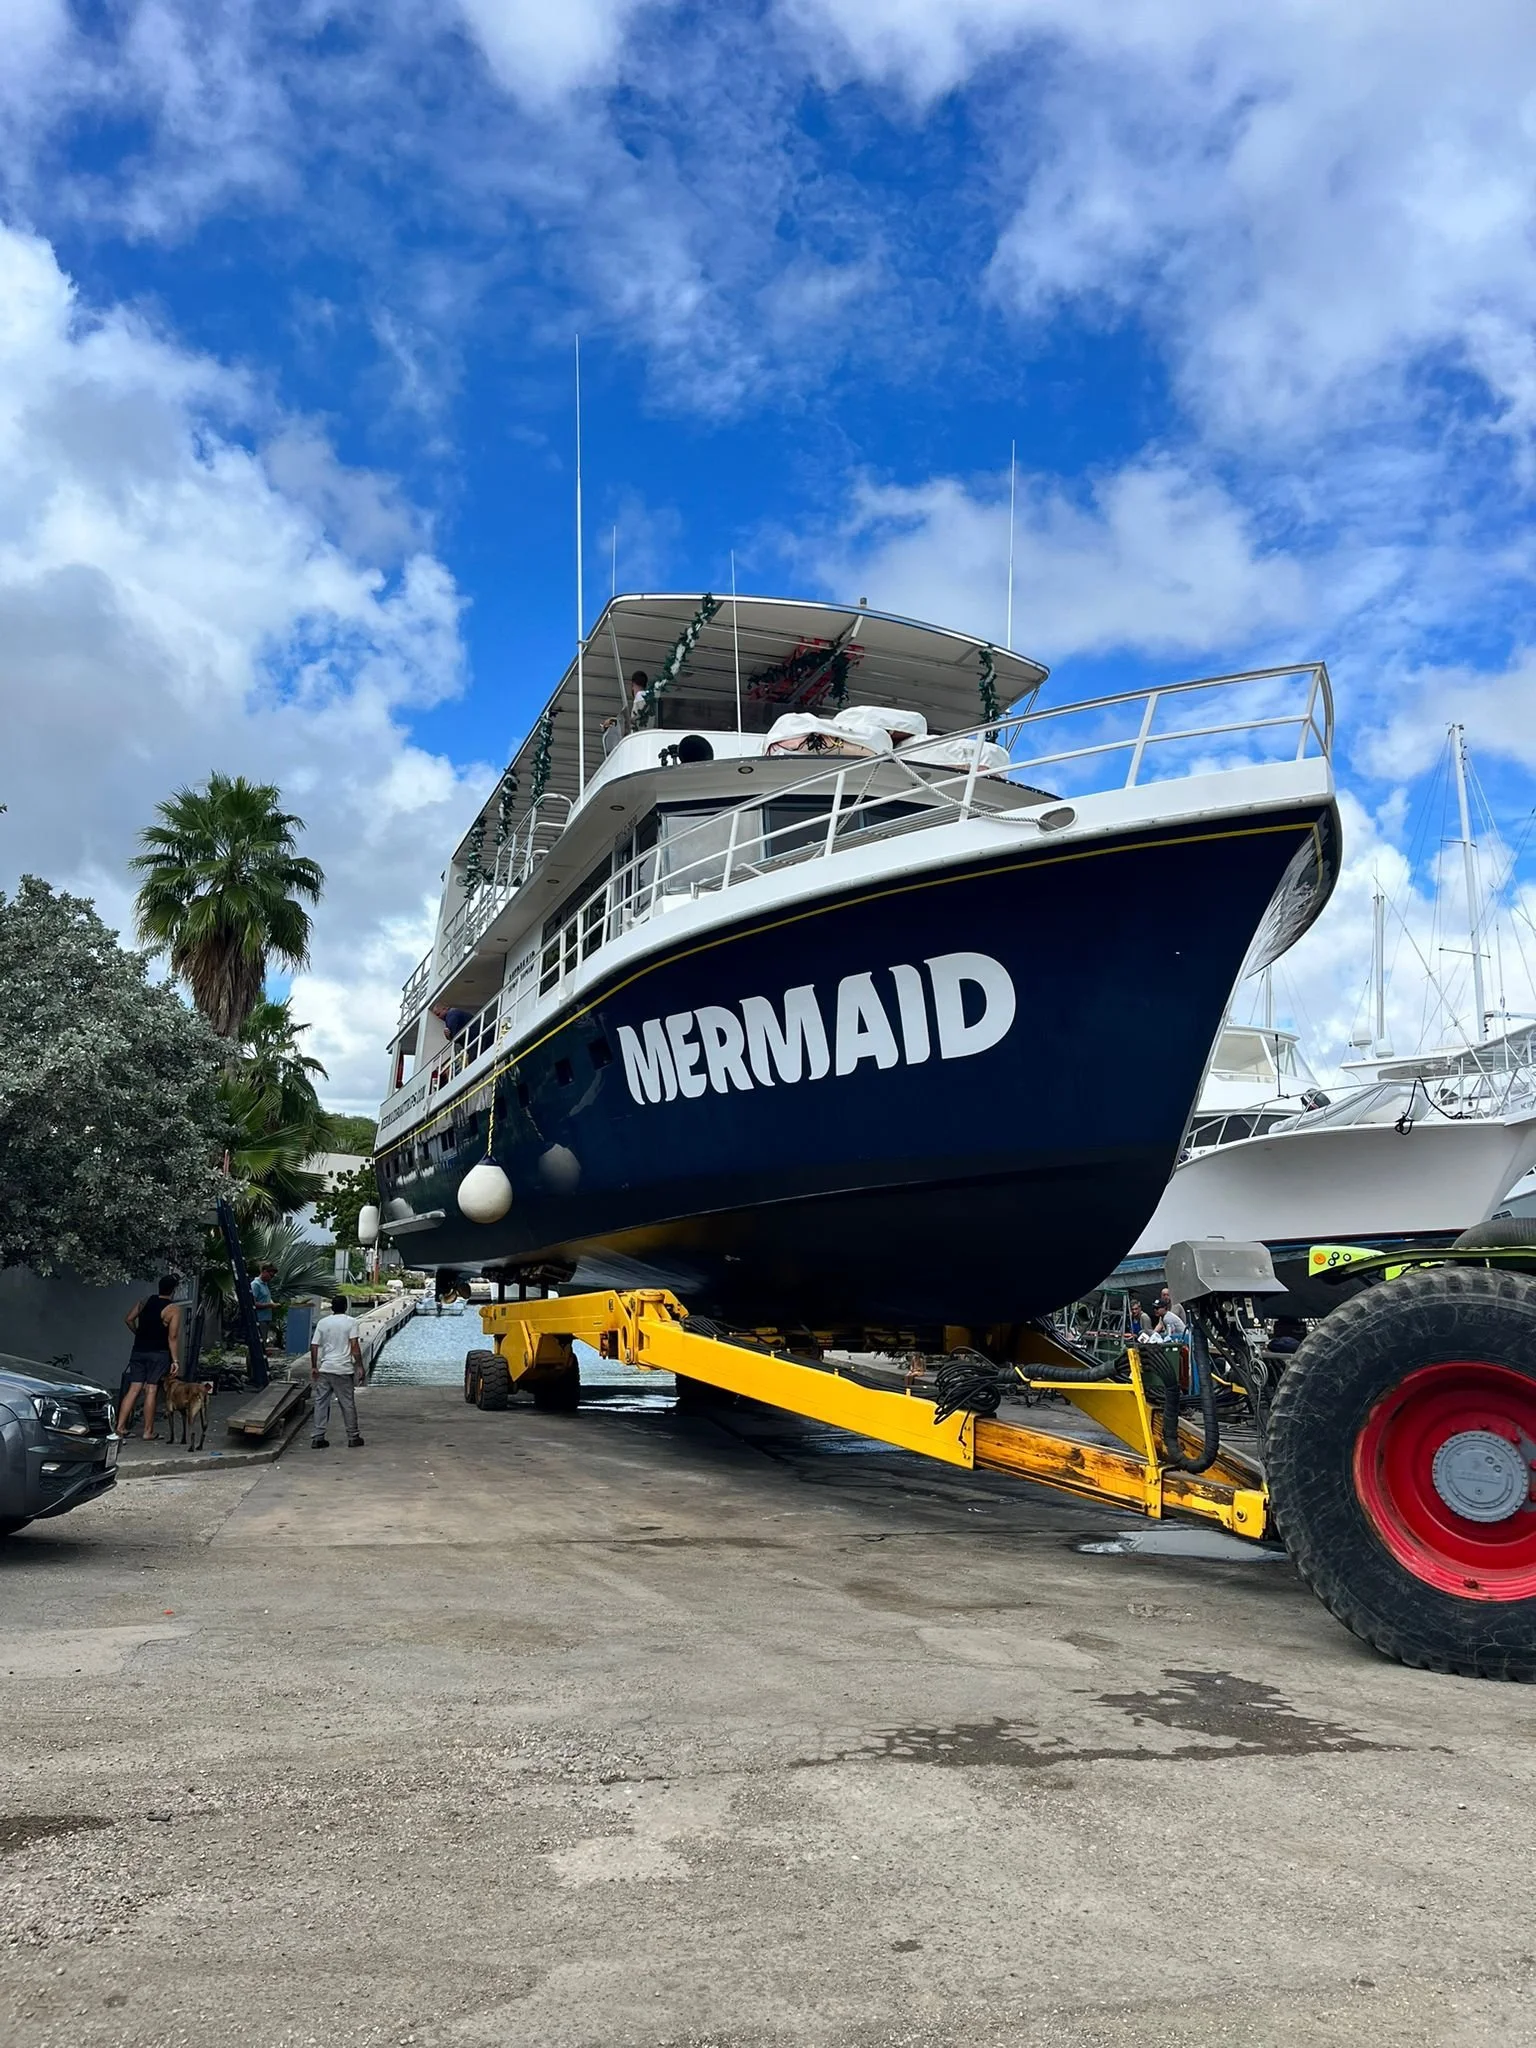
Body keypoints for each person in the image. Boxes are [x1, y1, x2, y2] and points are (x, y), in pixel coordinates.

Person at [118, 1276, 182, 1441]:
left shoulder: (145, 1301)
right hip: (158, 1353)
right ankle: (148, 1432)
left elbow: (128, 1319)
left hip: (139, 1350)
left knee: (134, 1388)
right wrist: (175, 1360)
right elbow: (172, 1336)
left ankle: (120, 1428)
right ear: (173, 1290)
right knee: (151, 1389)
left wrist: (138, 1333)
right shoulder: (173, 1309)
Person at [310, 1294, 365, 1449]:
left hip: (326, 1368)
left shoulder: (323, 1322)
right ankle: (353, 1437)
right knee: (347, 1403)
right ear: (346, 1307)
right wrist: (360, 1365)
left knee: (321, 1402)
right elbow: (354, 1346)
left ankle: (318, 1437)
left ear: (331, 1307)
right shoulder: (351, 1322)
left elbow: (314, 1345)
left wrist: (314, 1366)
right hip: (343, 1369)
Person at [251, 1263, 278, 1352]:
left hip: (266, 1318)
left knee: (263, 1343)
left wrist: (273, 1304)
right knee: (258, 1344)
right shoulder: (256, 1285)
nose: (271, 1278)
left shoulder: (265, 1285)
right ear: (264, 1271)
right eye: (270, 1275)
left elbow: (266, 1299)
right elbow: (253, 1303)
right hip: (259, 1319)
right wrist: (269, 1305)